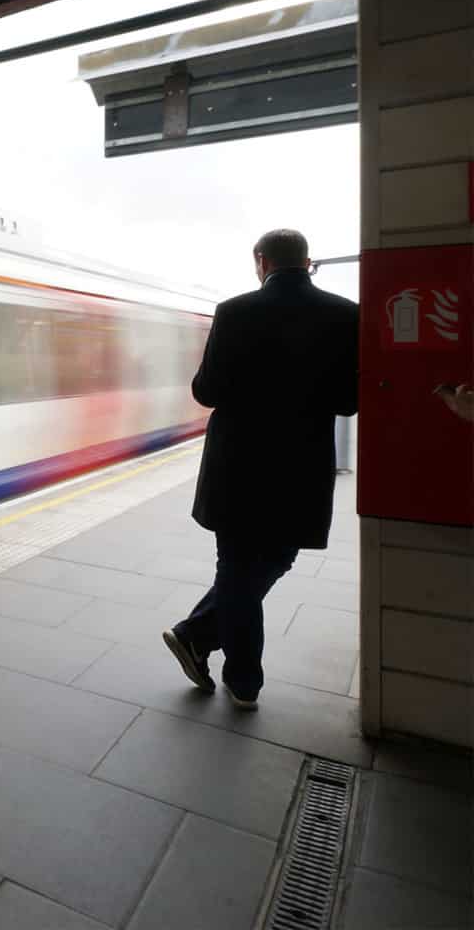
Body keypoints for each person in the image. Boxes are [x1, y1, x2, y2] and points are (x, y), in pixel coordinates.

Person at [163, 229, 359, 710]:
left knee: (236, 567)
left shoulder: (234, 311)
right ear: (307, 262)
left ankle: (207, 644)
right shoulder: (345, 313)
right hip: (302, 464)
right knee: (274, 559)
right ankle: (235, 670)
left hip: (238, 463)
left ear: (261, 261)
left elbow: (206, 391)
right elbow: (349, 402)